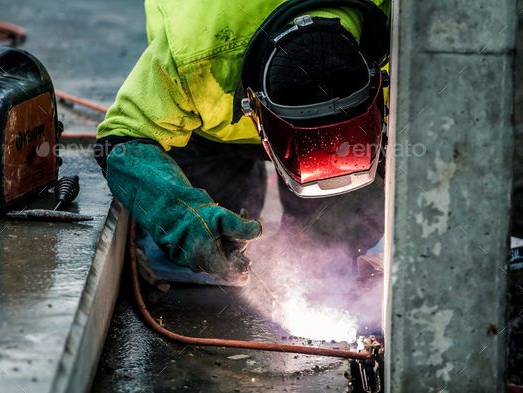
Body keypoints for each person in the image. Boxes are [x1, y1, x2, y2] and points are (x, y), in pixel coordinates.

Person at [93, 0, 391, 283]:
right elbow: (119, 139)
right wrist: (181, 218)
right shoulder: (193, 61)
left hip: (356, 133)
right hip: (209, 118)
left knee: (332, 244)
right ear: (253, 109)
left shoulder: (401, 30)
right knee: (215, 245)